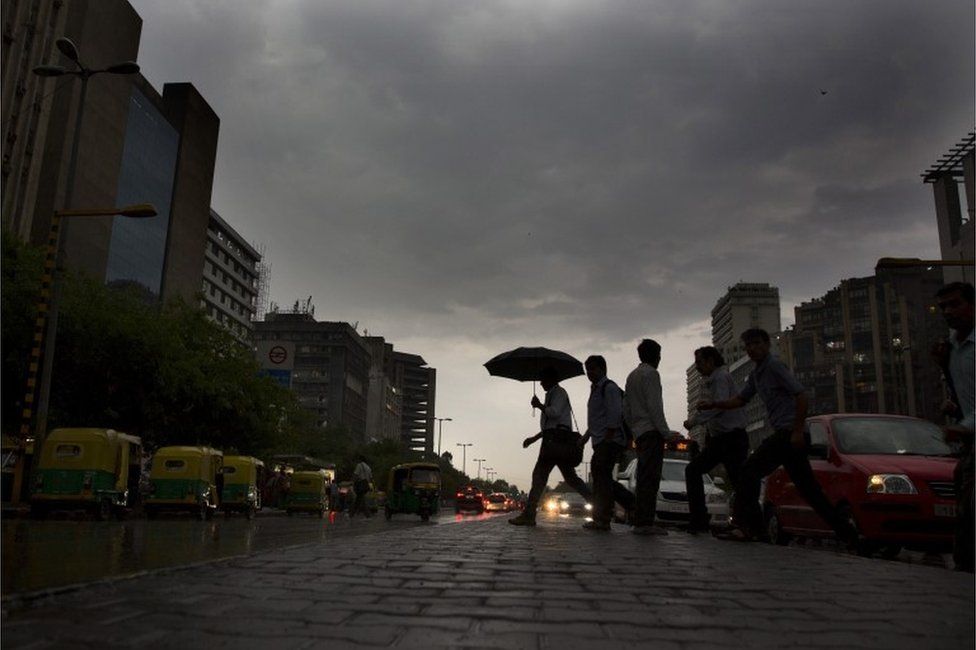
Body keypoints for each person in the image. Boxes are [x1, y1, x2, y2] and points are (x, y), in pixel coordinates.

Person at [699, 328, 856, 544]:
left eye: (756, 344)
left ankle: (744, 528)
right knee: (809, 490)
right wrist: (714, 404)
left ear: (766, 344)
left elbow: (801, 395)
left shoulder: (774, 366)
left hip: (789, 434)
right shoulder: (756, 374)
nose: (752, 349)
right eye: (748, 346)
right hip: (786, 436)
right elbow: (740, 400)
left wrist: (798, 430)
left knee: (748, 471)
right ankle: (849, 535)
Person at [510, 367, 594, 526]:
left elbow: (554, 414)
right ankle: (599, 507)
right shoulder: (552, 394)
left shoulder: (559, 393)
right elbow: (550, 425)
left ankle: (529, 514)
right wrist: (534, 438)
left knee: (539, 477)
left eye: (543, 379)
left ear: (551, 379)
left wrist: (540, 406)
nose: (540, 383)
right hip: (554, 440)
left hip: (555, 442)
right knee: (572, 479)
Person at [682, 346, 749, 533]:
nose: (697, 367)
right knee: (737, 481)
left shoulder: (720, 378)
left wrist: (693, 422)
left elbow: (718, 407)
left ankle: (702, 520)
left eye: (700, 363)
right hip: (722, 439)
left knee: (736, 480)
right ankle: (747, 523)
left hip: (731, 439)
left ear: (711, 361)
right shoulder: (712, 381)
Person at [933, 282, 975, 573]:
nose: (948, 311)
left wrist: (965, 426)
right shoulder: (952, 347)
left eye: (955, 304)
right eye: (943, 306)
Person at [581, 355, 635, 531]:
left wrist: (608, 438)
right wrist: (586, 437)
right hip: (601, 440)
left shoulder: (609, 388)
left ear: (602, 369)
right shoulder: (595, 389)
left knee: (601, 477)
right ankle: (627, 504)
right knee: (602, 478)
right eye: (587, 369)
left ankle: (603, 518)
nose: (589, 373)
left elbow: (614, 414)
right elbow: (597, 418)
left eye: (593, 369)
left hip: (610, 440)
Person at [623, 339, 671, 536]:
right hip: (652, 432)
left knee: (643, 477)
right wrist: (666, 433)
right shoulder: (651, 374)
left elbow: (625, 408)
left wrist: (634, 428)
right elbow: (655, 407)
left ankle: (640, 520)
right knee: (650, 479)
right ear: (656, 356)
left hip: (639, 432)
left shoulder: (632, 376)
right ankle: (646, 522)